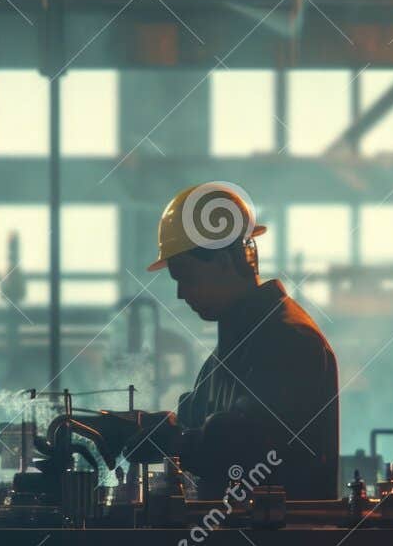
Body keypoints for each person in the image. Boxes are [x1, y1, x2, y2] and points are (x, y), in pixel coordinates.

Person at [88, 182, 339, 500]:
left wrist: (170, 442)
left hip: (284, 545)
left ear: (224, 260)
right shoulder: (231, 352)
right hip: (237, 541)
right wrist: (139, 426)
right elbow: (197, 422)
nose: (180, 293)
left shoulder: (290, 341)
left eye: (187, 277)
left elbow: (248, 451)